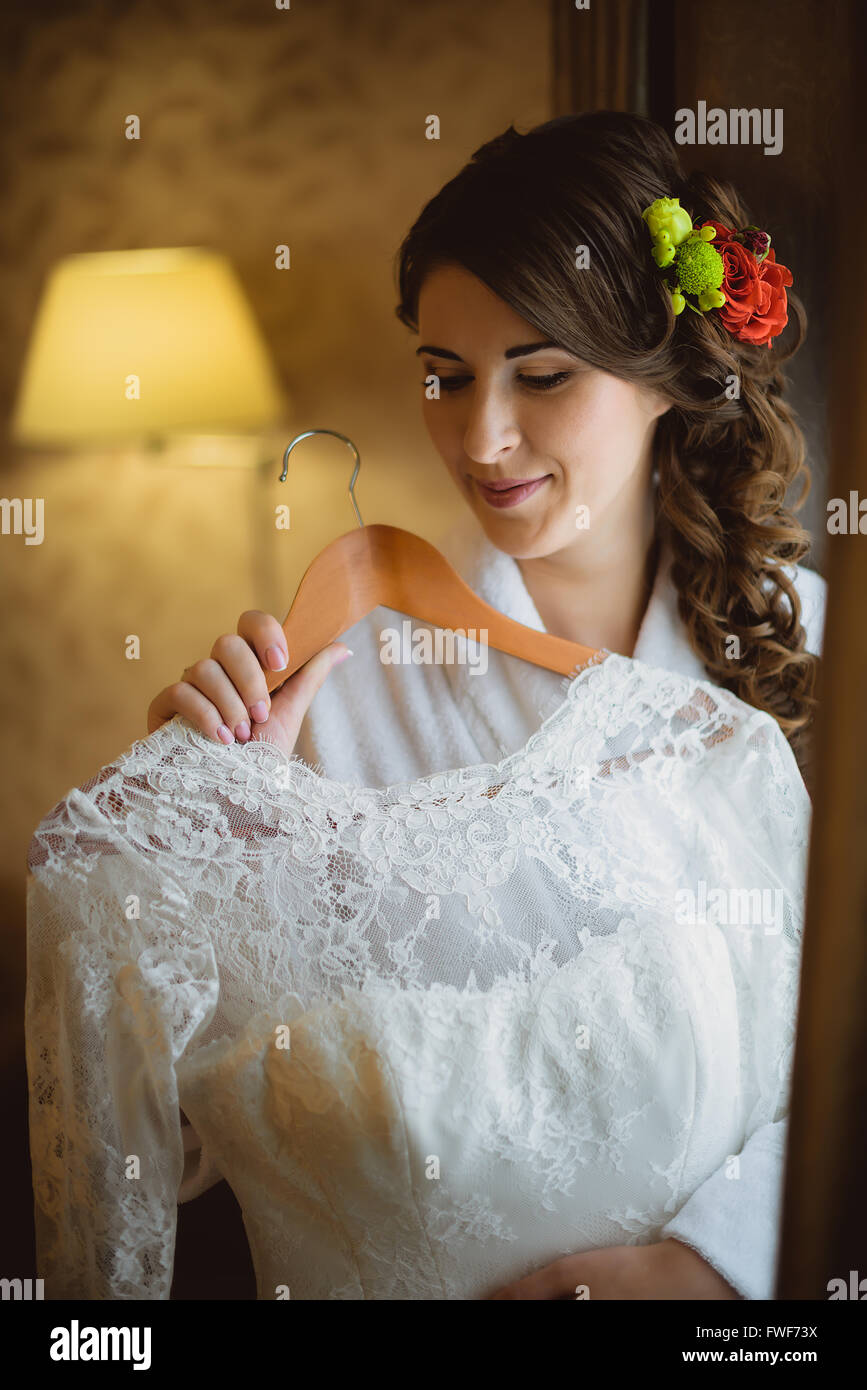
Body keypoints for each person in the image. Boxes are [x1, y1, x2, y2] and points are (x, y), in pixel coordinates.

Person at [145, 112, 822, 1299]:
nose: (483, 437)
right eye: (445, 378)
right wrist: (200, 852)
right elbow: (200, 1139)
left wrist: (714, 1265)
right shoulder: (335, 693)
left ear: (668, 374)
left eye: (543, 374)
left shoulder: (819, 648)